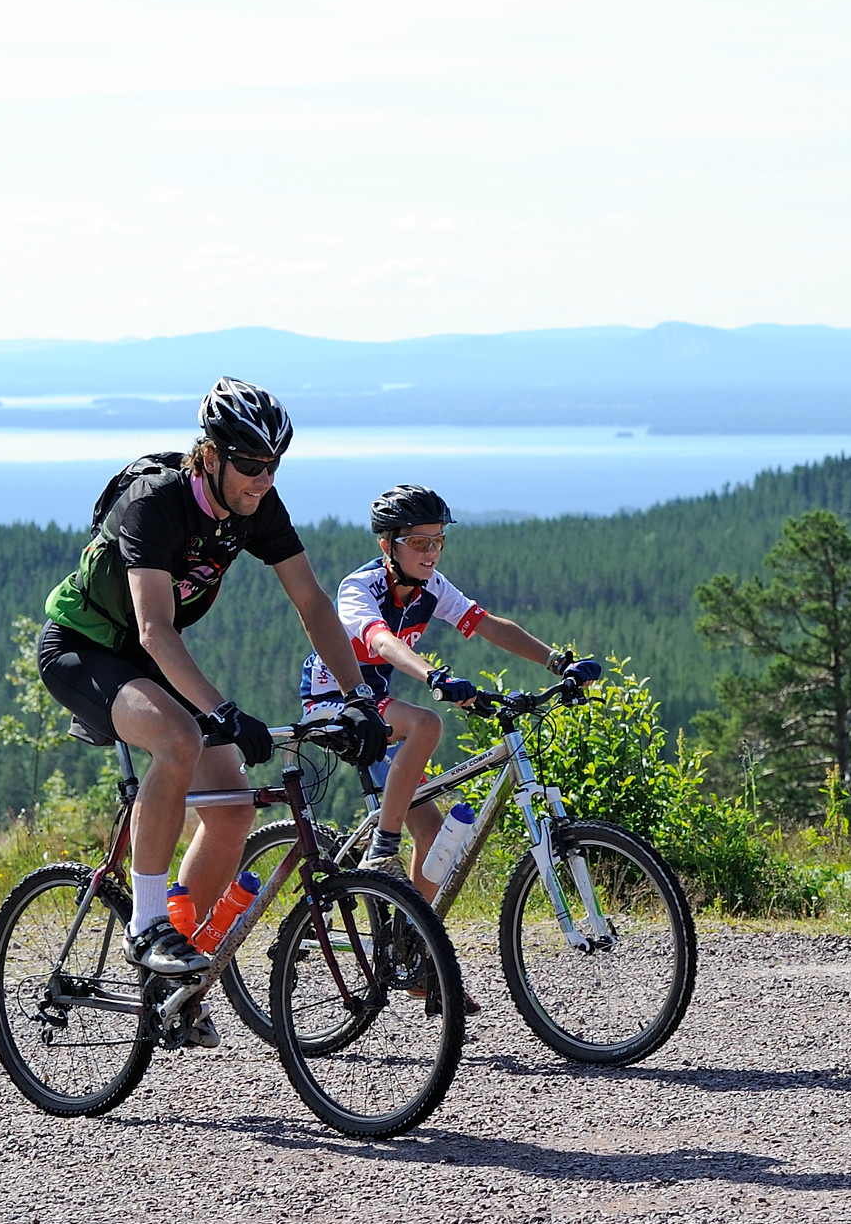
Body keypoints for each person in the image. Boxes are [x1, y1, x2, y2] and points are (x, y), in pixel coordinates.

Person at [36, 380, 389, 993]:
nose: (264, 478)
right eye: (251, 464)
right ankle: (146, 927)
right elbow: (153, 628)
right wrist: (221, 709)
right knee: (178, 739)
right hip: (82, 649)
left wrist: (358, 695)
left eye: (274, 465)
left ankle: (178, 966)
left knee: (230, 811)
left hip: (148, 659)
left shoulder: (258, 507)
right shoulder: (156, 502)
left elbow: (312, 603)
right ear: (212, 454)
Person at [300, 484, 600, 907]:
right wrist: (434, 676)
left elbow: (489, 625)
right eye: (419, 542)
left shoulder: (431, 586)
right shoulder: (360, 587)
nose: (431, 551)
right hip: (335, 704)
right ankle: (382, 850)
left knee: (433, 832)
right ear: (387, 545)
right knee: (426, 724)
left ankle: (416, 938)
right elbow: (383, 642)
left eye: (438, 541)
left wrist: (557, 661)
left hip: (377, 710)